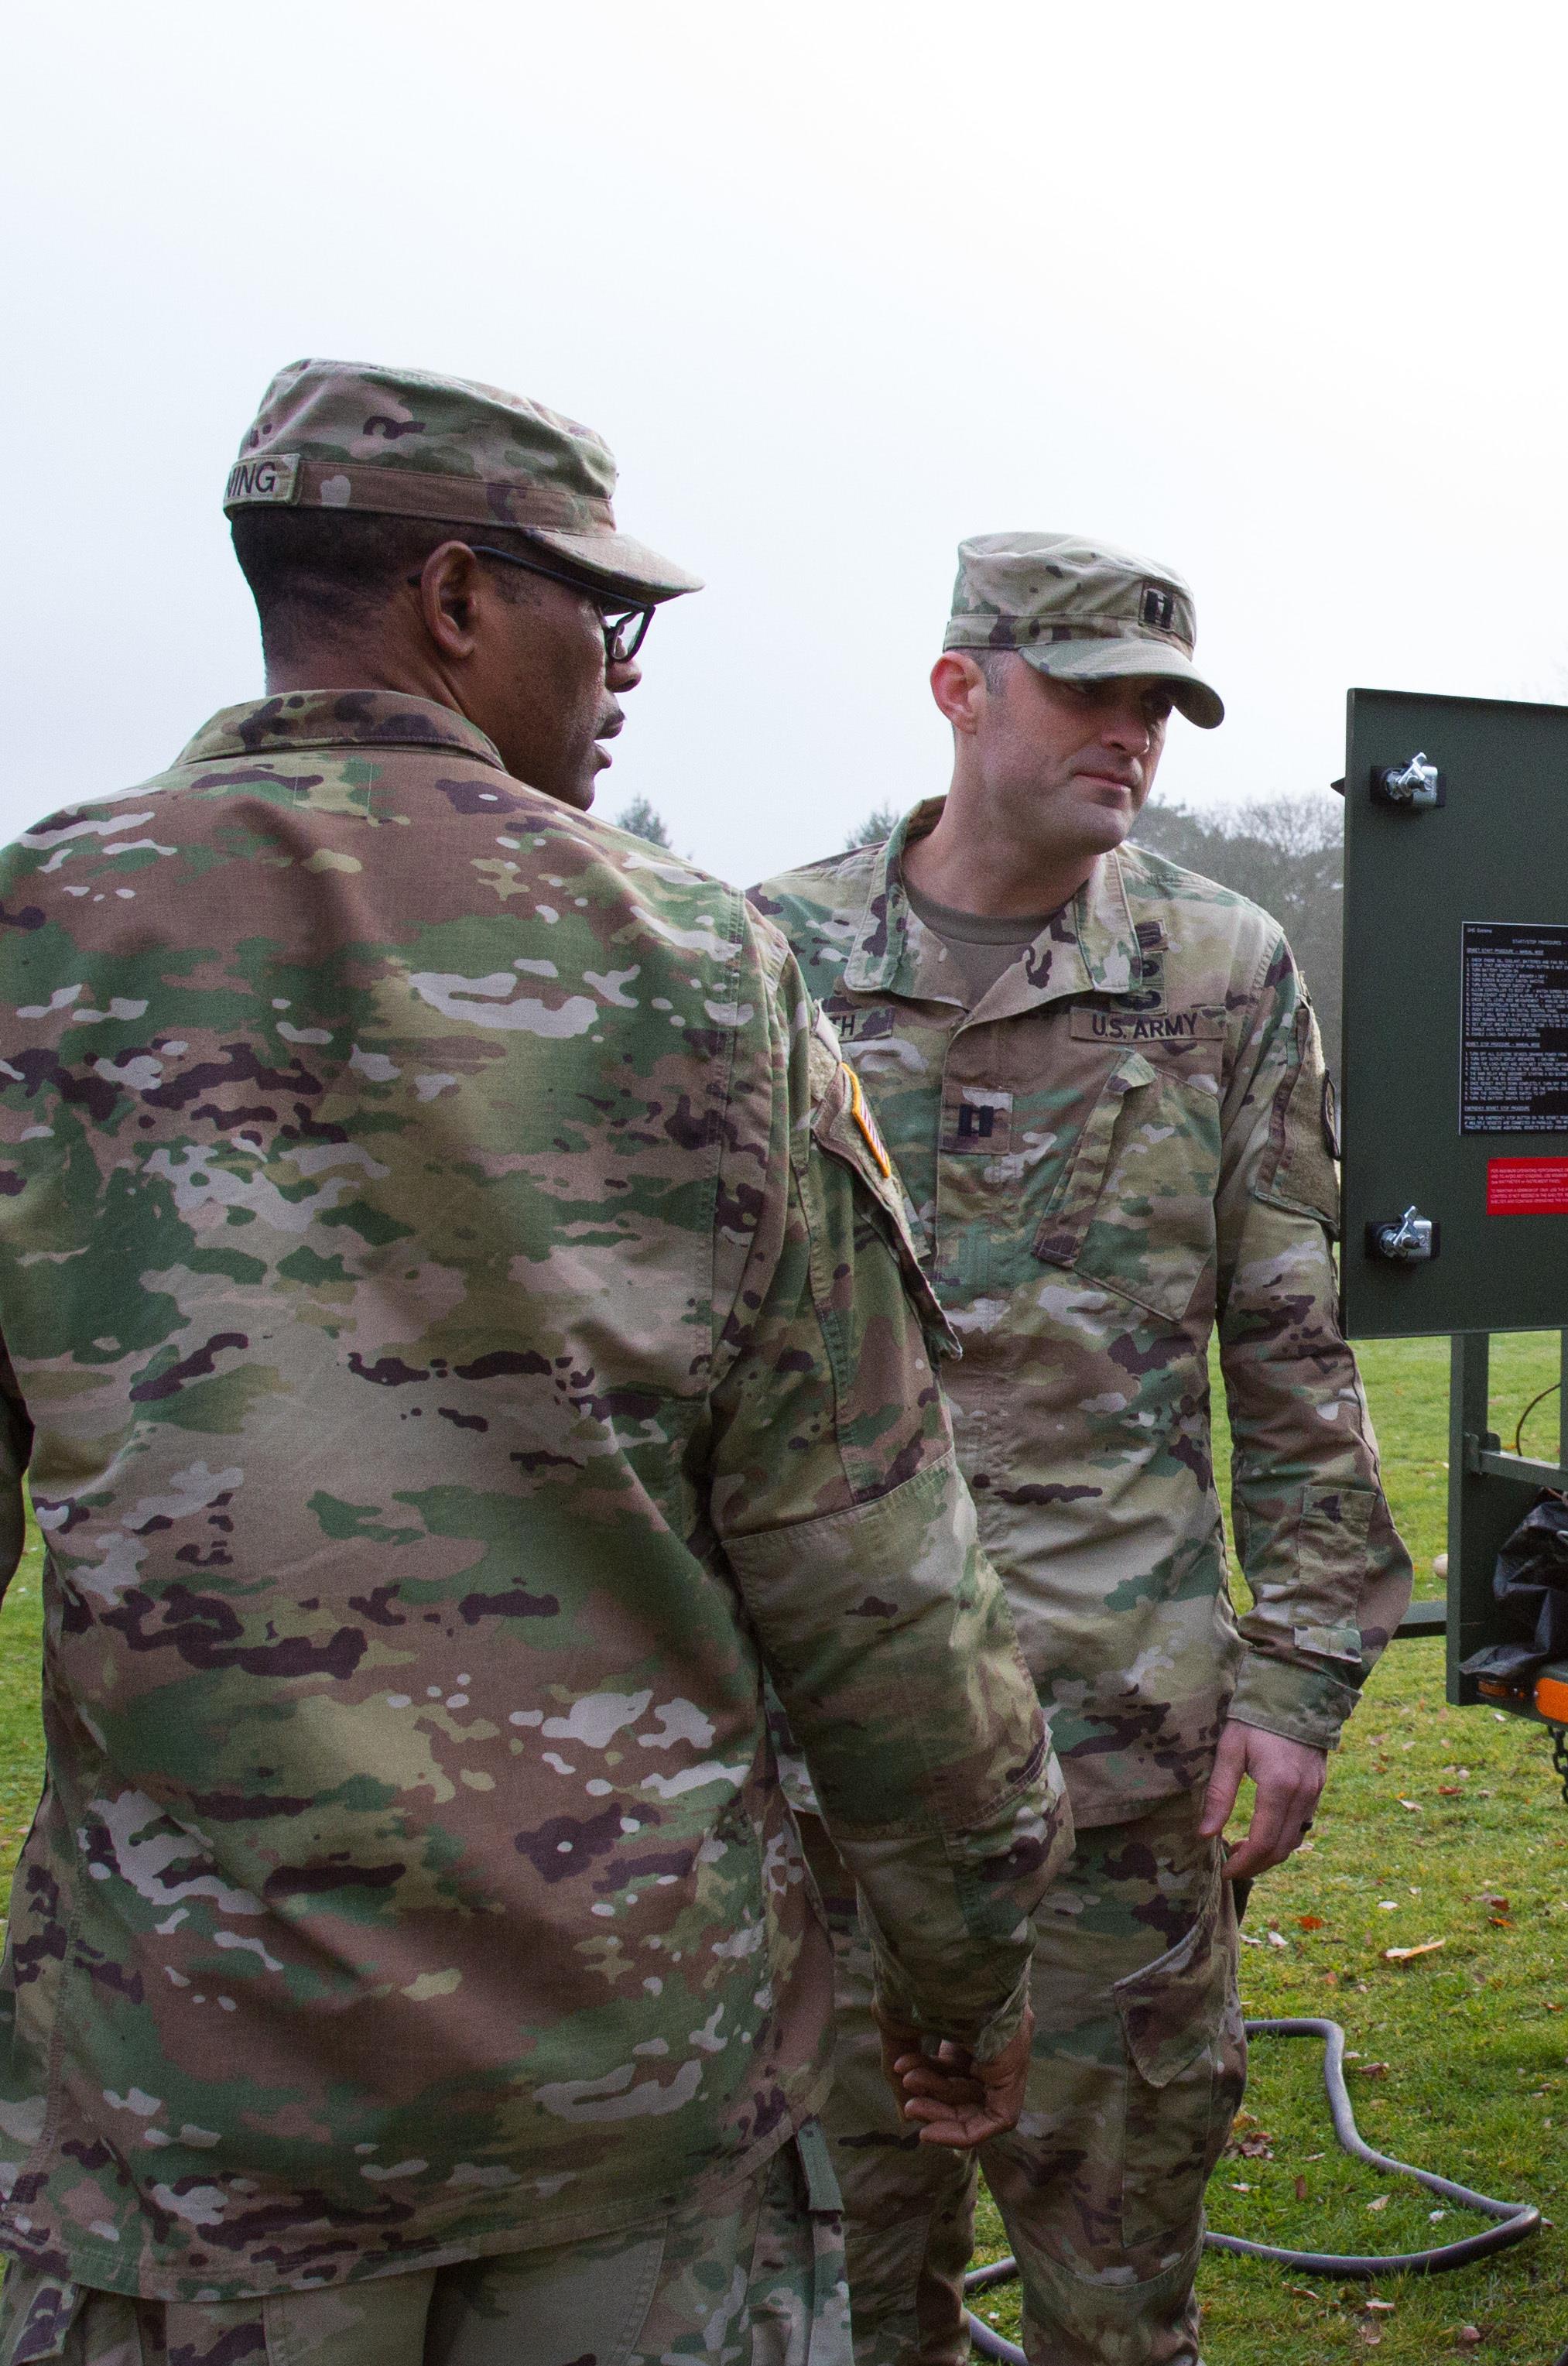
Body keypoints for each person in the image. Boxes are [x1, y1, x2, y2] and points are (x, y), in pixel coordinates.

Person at [0, 360, 1072, 2364]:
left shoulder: (39, 943)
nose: (629, 673)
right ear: (455, 596)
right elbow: (878, 1591)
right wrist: (961, 1974)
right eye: (610, 613)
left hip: (194, 2126)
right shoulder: (696, 975)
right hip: (625, 2108)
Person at [753, 533, 1413, 2365]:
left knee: (1117, 2289)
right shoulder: (769, 954)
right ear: (961, 687)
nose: (1131, 735)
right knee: (828, 2286)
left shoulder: (1216, 966)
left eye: (1159, 704)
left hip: (1112, 1769)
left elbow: (1292, 1344)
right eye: (1089, 691)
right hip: (824, 1767)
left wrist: (1299, 1677)